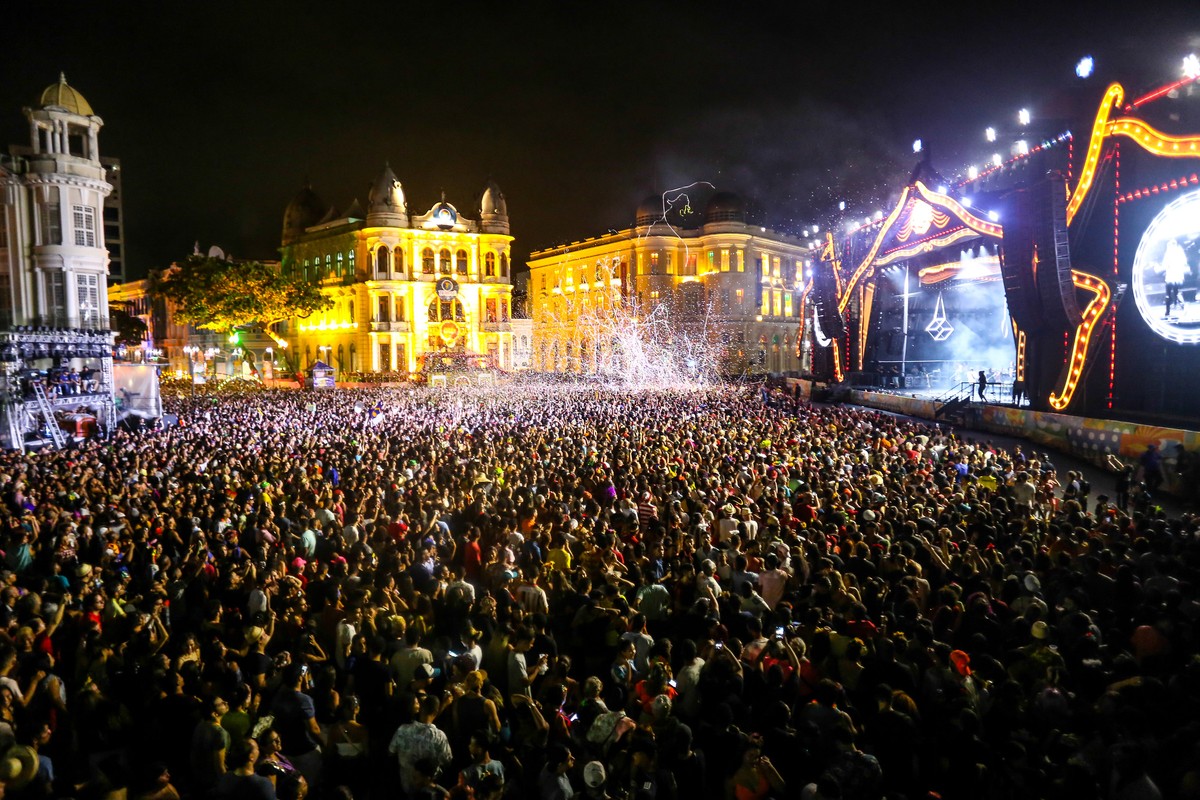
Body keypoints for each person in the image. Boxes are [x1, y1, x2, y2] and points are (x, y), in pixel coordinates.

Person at [389, 694, 453, 796]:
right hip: (428, 790)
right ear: (436, 712)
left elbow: (391, 752)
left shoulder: (402, 730)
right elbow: (447, 761)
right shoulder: (440, 737)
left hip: (405, 787)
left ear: (421, 709)